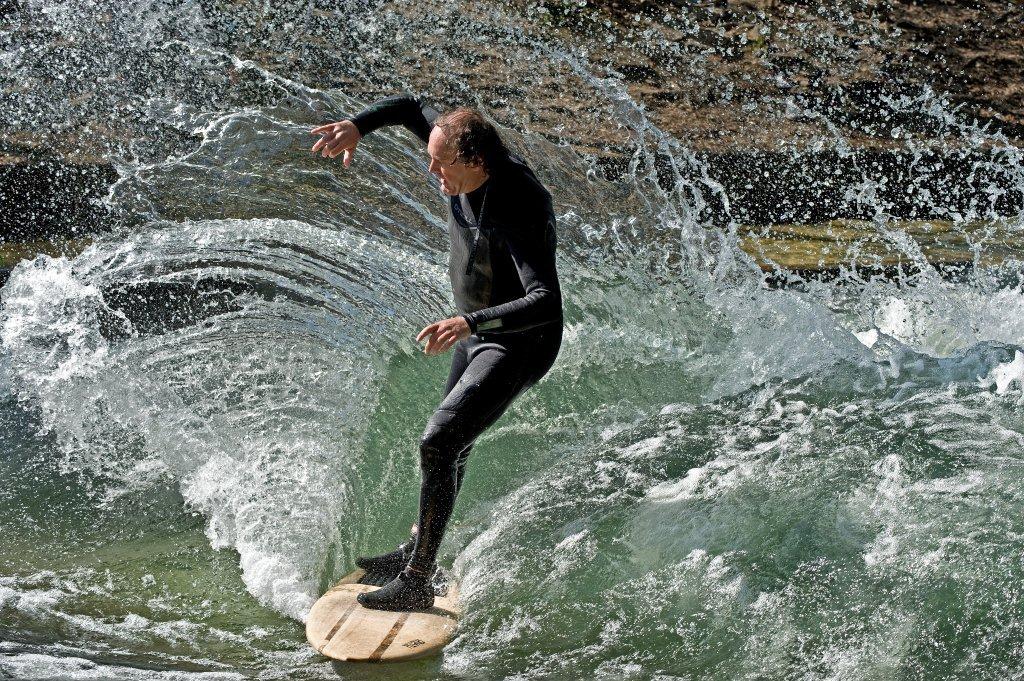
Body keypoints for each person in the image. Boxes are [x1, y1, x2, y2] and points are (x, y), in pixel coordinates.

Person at [310, 95, 563, 611]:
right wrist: (359, 127)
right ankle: (415, 550)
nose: (432, 171)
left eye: (441, 164)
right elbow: (410, 108)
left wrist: (469, 321)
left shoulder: (518, 202)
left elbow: (545, 301)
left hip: (521, 340)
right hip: (477, 332)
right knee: (451, 440)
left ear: (475, 161)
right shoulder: (456, 144)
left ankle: (418, 579)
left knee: (440, 439)